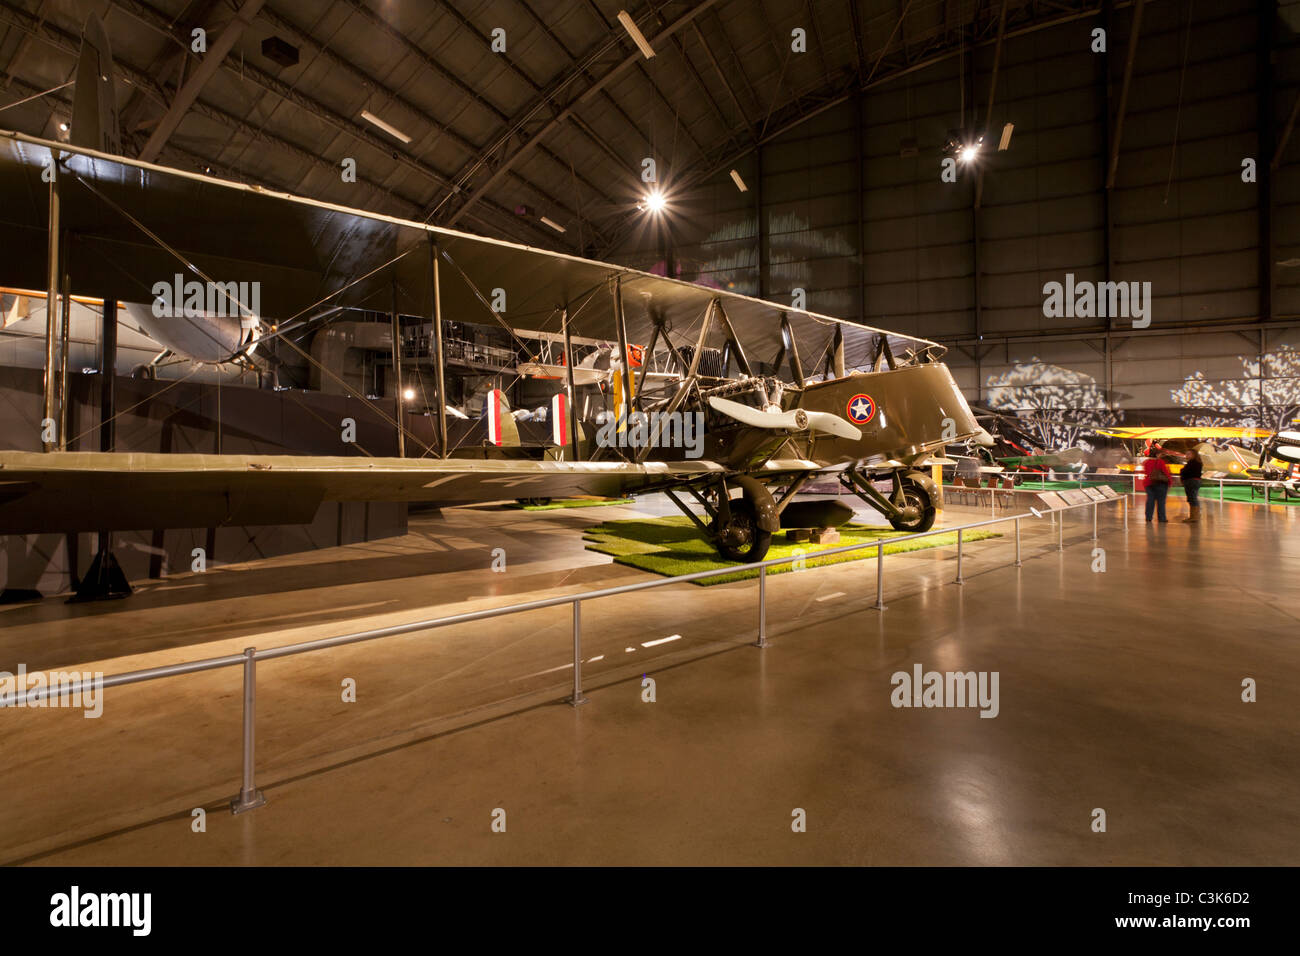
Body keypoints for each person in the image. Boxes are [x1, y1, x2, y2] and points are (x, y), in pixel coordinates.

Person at [1143, 452, 1172, 523]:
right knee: (1161, 502)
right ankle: (1162, 518)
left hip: (1148, 483)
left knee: (1150, 501)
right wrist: (1170, 482)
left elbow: (1147, 472)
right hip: (1160, 484)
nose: (1161, 455)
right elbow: (1165, 472)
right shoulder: (1160, 462)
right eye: (1160, 454)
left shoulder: (1146, 462)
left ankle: (1148, 517)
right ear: (1156, 454)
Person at [1181, 449, 1204, 522]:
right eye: (1186, 454)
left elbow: (1186, 471)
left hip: (1191, 481)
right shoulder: (1196, 462)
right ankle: (1193, 516)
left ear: (1193, 455)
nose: (1186, 456)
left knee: (1193, 499)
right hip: (1193, 481)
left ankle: (1194, 517)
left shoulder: (1193, 463)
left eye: (1188, 454)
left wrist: (1182, 471)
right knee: (1192, 499)